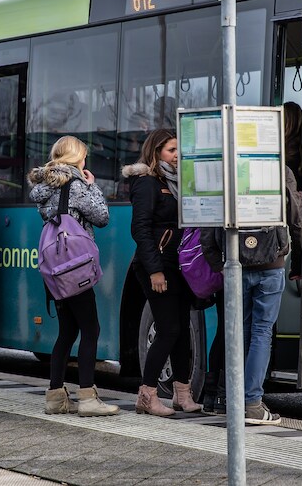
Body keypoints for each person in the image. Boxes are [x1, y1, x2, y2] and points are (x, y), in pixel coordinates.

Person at [199, 163, 302, 425]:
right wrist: (298, 260)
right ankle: (252, 403)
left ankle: (231, 400)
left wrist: (217, 264)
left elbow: (208, 225)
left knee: (238, 333)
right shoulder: (278, 167)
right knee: (261, 334)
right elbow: (295, 215)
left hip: (236, 264)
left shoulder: (223, 169)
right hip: (271, 264)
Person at [28, 135, 119, 417]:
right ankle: (88, 397)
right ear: (76, 158)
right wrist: (94, 188)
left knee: (67, 332)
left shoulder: (46, 187)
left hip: (55, 270)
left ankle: (55, 397)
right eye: (83, 156)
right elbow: (102, 217)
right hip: (75, 268)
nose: (85, 161)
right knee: (91, 330)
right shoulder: (77, 185)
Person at [123, 129, 199, 417]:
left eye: (178, 149)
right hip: (156, 266)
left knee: (181, 330)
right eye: (170, 150)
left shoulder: (177, 182)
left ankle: (182, 394)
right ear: (156, 153)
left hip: (178, 265)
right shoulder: (147, 183)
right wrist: (155, 270)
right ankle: (147, 395)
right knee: (167, 330)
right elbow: (140, 230)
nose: (177, 154)